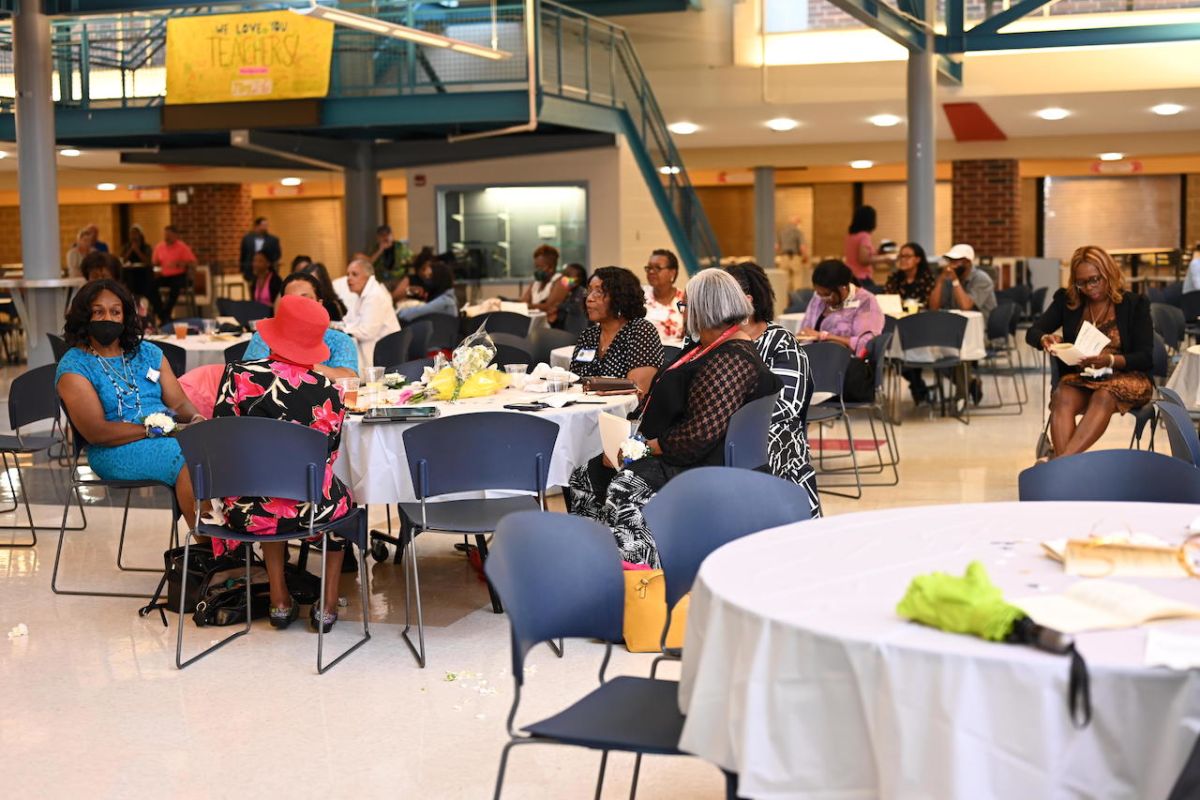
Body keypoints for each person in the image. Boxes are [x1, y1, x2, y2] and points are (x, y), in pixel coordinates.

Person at [567, 269, 781, 567]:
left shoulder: (731, 358)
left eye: (686, 305)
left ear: (706, 309)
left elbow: (697, 437)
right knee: (584, 474)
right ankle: (594, 563)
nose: (683, 311)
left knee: (623, 486)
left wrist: (638, 449)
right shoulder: (708, 347)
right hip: (677, 451)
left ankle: (640, 577)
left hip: (696, 461)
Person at [213, 295, 353, 632]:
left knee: (267, 486)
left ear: (274, 335)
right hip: (311, 512)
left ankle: (279, 598)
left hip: (245, 510)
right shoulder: (329, 391)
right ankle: (329, 602)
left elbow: (221, 438)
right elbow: (329, 455)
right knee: (342, 499)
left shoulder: (236, 375)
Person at [54, 280, 204, 528]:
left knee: (219, 450)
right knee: (189, 458)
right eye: (98, 311)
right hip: (113, 451)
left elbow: (179, 402)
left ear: (125, 316)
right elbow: (96, 432)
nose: (108, 318)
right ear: (84, 316)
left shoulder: (148, 353)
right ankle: (212, 554)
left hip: (167, 437)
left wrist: (197, 420)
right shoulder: (75, 366)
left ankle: (237, 546)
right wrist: (152, 431)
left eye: (115, 311)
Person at [1027, 245, 1153, 459]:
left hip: (1128, 376)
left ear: (1108, 273)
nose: (1089, 287)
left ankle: (1058, 466)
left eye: (1095, 279)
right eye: (1081, 282)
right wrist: (1044, 339)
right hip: (1084, 377)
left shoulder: (1134, 304)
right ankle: (1066, 472)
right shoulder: (1068, 302)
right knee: (1062, 395)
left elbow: (1145, 356)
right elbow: (1033, 332)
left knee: (1104, 396)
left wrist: (1110, 360)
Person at [724, 261, 821, 517]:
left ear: (747, 300)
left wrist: (724, 420)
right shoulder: (707, 341)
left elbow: (787, 406)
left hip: (770, 434)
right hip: (718, 431)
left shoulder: (780, 343)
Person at [243, 272, 358, 380]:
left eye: (305, 299)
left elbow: (349, 378)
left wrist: (298, 362)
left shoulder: (339, 340)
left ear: (320, 304)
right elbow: (249, 377)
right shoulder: (264, 337)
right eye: (291, 301)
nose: (299, 306)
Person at [569, 266, 663, 397]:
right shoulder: (588, 336)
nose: (589, 298)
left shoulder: (640, 330)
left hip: (623, 414)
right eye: (589, 291)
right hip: (586, 410)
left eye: (599, 292)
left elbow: (638, 391)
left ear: (620, 297)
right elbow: (573, 383)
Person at [799, 259, 884, 402]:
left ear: (843, 288)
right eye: (819, 294)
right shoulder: (818, 298)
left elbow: (866, 343)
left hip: (844, 370)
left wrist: (824, 336)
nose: (823, 299)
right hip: (817, 364)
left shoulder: (866, 301)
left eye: (827, 294)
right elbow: (806, 330)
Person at [928, 243, 997, 406]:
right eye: (949, 261)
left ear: (967, 262)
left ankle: (961, 395)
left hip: (982, 333)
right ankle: (970, 383)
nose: (950, 265)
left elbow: (966, 306)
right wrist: (939, 282)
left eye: (955, 261)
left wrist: (956, 282)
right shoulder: (948, 279)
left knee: (958, 348)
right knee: (931, 348)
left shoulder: (982, 279)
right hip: (953, 331)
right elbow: (934, 307)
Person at [339, 258, 400, 373]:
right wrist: (339, 326)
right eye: (348, 274)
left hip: (385, 352)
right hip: (376, 347)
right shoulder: (364, 294)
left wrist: (343, 329)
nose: (349, 279)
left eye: (354, 274)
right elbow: (350, 321)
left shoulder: (374, 295)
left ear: (368, 277)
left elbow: (367, 332)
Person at [152, 225, 197, 322]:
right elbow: (155, 263)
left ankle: (165, 314)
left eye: (169, 235)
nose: (167, 237)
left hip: (178, 275)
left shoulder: (182, 247)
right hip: (164, 275)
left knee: (175, 287)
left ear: (176, 235)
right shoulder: (159, 247)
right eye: (165, 235)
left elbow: (193, 263)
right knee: (151, 286)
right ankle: (162, 314)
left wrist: (182, 263)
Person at [120, 224, 163, 324]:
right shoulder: (126, 246)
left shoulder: (146, 247)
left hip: (144, 275)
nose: (133, 236)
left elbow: (148, 261)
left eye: (136, 233)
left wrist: (137, 250)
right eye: (132, 234)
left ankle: (157, 316)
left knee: (151, 289)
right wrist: (131, 249)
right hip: (131, 274)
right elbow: (123, 260)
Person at [844, 205, 893, 289]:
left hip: (851, 276)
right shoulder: (864, 236)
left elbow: (856, 254)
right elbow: (863, 259)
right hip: (862, 277)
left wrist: (877, 252)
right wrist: (885, 258)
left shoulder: (850, 235)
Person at [642, 248, 686, 343]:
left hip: (677, 354)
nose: (651, 272)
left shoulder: (684, 299)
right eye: (649, 268)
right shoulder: (640, 296)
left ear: (672, 272)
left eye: (657, 268)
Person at [520, 244, 569, 325]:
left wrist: (527, 305)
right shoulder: (536, 283)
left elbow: (549, 306)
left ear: (551, 268)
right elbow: (524, 301)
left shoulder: (563, 281)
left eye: (540, 267)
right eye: (536, 267)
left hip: (550, 326)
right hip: (533, 323)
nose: (537, 270)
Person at [239, 217, 281, 284]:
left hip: (267, 272)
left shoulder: (273, 240)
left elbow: (277, 255)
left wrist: (268, 263)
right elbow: (243, 254)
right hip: (250, 271)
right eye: (263, 225)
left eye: (266, 225)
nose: (266, 227)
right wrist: (242, 269)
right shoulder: (247, 239)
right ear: (256, 226)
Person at [554, 263, 589, 330]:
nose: (564, 278)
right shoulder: (570, 292)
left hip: (579, 331)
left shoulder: (582, 292)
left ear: (579, 279)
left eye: (568, 275)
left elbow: (577, 308)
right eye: (563, 275)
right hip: (570, 329)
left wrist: (560, 305)